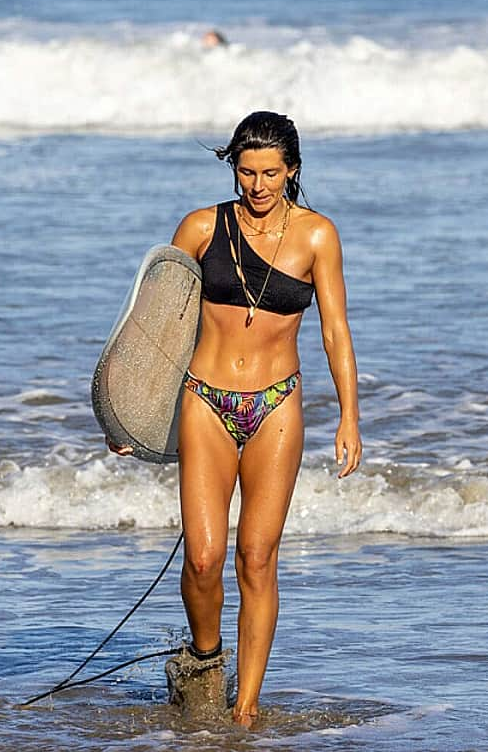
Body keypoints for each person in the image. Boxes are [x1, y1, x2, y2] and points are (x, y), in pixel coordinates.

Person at [112, 111, 361, 727]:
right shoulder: (200, 227)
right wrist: (129, 416)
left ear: (292, 171)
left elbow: (335, 331)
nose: (257, 185)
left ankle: (245, 706)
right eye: (246, 172)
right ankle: (203, 659)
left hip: (275, 403)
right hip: (205, 399)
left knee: (256, 554)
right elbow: (156, 328)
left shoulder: (317, 237)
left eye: (270, 173)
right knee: (202, 558)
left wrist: (349, 418)